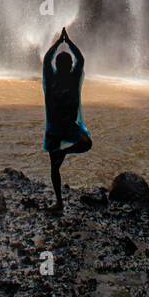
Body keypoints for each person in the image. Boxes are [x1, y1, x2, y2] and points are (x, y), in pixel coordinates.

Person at [42, 25, 92, 213]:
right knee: (55, 167)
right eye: (68, 63)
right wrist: (66, 43)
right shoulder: (59, 79)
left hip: (65, 127)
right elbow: (80, 60)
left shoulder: (59, 78)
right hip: (57, 129)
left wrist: (60, 43)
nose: (69, 65)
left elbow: (48, 60)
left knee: (84, 145)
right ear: (67, 65)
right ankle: (59, 202)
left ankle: (59, 201)